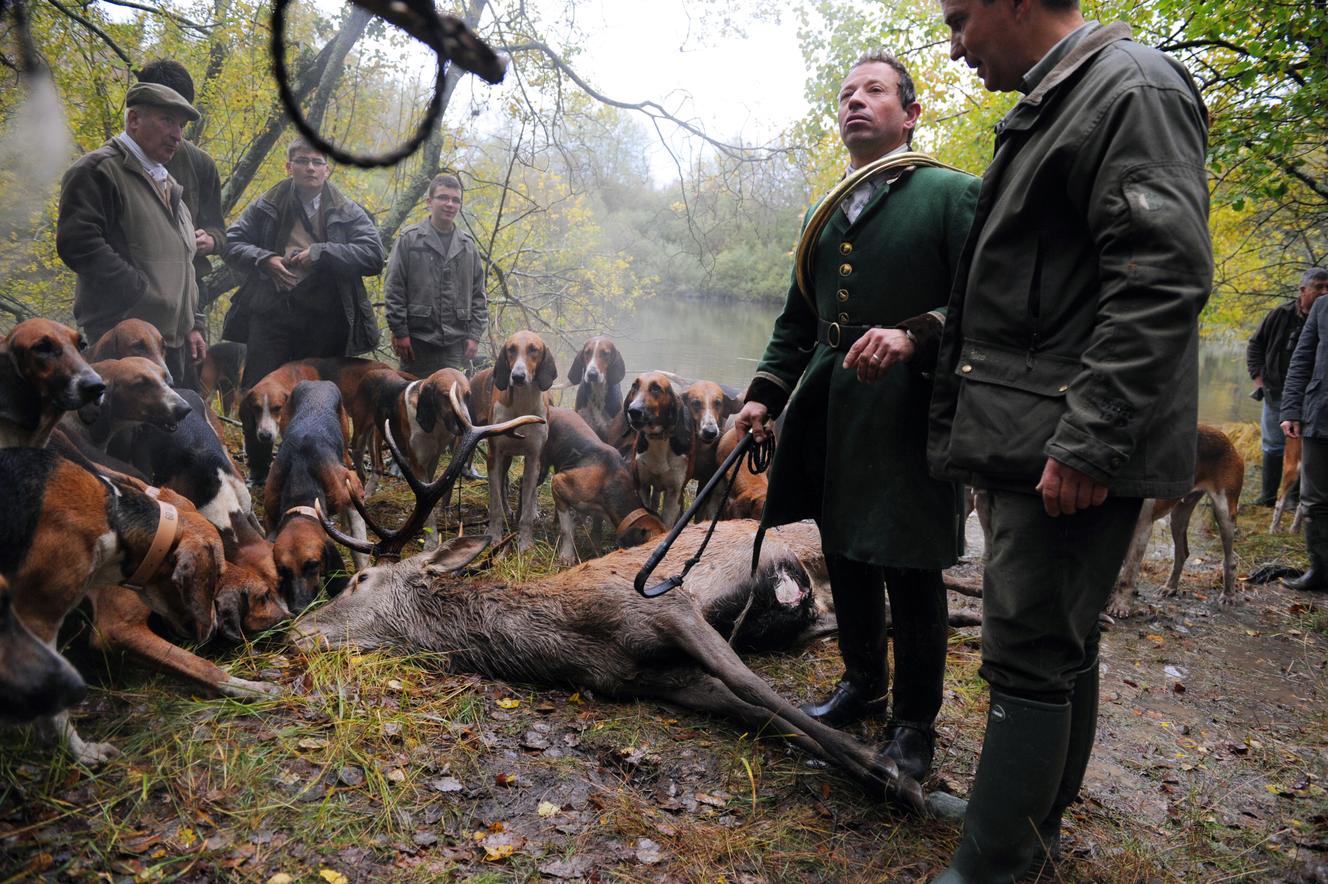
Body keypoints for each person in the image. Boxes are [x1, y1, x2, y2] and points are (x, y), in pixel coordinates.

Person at [929, 0, 1211, 880]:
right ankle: (1028, 823)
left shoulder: (1129, 91)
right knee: (1060, 641)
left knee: (1027, 649)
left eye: (961, 17)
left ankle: (995, 864)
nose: (956, 44)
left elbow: (1163, 278)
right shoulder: (1062, 98)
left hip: (1070, 442)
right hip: (1037, 430)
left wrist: (1092, 439)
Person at [733, 52, 979, 783]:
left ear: (910, 114)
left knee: (910, 564)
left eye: (874, 91)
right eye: (846, 94)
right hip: (832, 410)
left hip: (914, 411)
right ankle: (863, 684)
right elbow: (798, 321)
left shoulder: (953, 195)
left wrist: (917, 331)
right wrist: (764, 394)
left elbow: (984, 304)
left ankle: (914, 726)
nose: (856, 102)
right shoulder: (824, 211)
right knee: (843, 546)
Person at [57, 83, 208, 384]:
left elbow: (183, 261)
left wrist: (192, 324)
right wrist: (138, 290)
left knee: (172, 427)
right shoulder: (98, 169)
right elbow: (78, 243)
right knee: (125, 429)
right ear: (134, 120)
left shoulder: (166, 181)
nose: (177, 135)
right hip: (122, 339)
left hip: (168, 344)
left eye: (181, 126)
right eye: (167, 120)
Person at [222, 138, 385, 389]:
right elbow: (230, 242)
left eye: (317, 162)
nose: (310, 167)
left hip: (325, 317)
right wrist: (265, 260)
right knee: (259, 390)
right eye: (303, 161)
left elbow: (374, 255)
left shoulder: (347, 210)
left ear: (326, 169)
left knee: (317, 394)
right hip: (271, 311)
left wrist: (322, 253)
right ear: (289, 167)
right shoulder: (267, 203)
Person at [384, 173, 487, 376]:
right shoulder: (409, 240)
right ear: (429, 201)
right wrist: (400, 332)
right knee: (413, 401)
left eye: (455, 200)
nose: (450, 204)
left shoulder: (467, 247)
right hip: (416, 344)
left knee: (451, 402)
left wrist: (474, 336)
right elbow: (394, 289)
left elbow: (479, 297)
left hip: (455, 346)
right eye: (443, 197)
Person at [1248, 268, 1328, 505]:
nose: (1325, 292)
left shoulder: (1324, 317)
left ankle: (1294, 497)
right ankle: (1268, 496)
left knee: (1306, 447)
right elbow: (1255, 345)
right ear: (1303, 290)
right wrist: (1259, 378)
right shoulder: (1279, 315)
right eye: (1320, 287)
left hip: (1312, 395)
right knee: (1272, 443)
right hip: (1276, 391)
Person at [1278, 290, 1328, 593]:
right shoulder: (1322, 306)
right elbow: (1301, 359)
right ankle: (1320, 572)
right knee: (1314, 500)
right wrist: (1291, 409)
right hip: (1320, 414)